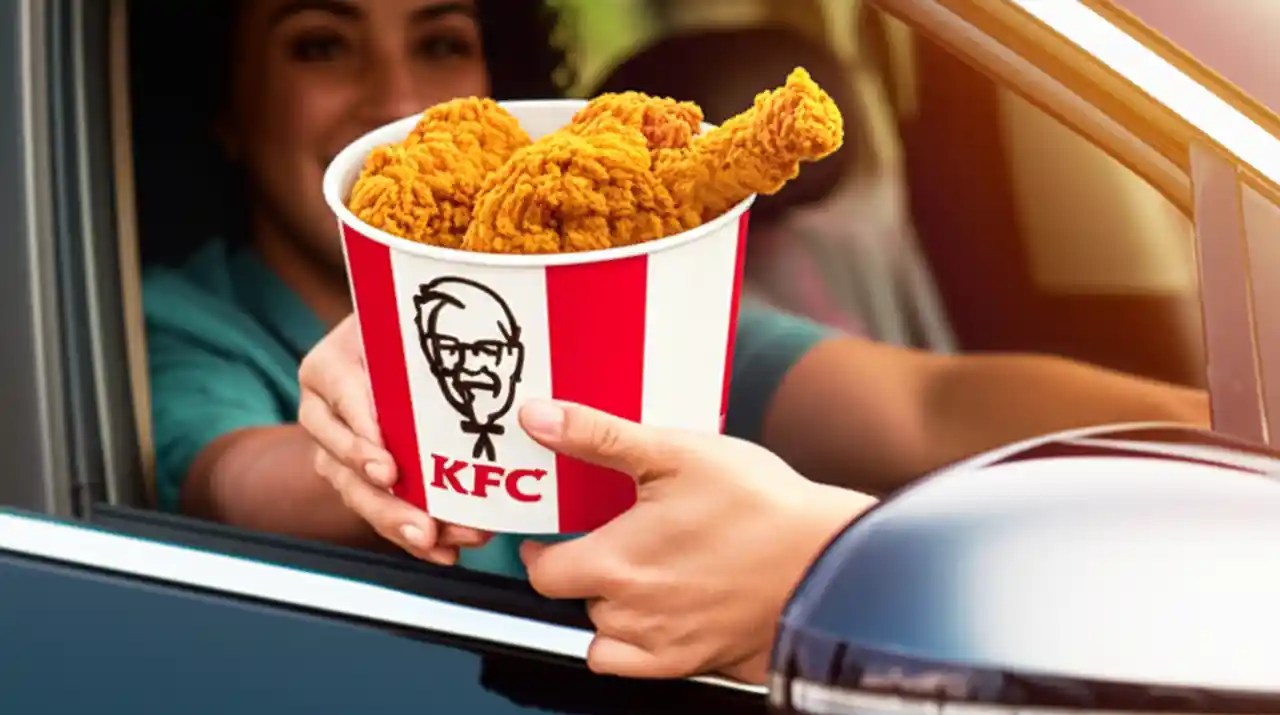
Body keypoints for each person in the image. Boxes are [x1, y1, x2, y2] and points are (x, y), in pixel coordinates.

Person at [143, 0, 1209, 574]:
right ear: (230, 112)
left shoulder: (626, 296)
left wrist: (1216, 432)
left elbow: (923, 407)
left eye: (441, 40)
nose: (398, 99)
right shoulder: (179, 327)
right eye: (320, 43)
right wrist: (388, 451)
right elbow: (238, 478)